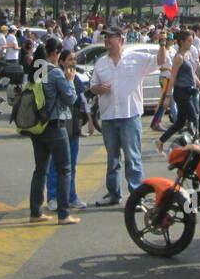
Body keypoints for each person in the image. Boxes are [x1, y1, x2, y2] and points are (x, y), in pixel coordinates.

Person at [90, 26, 167, 205]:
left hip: (130, 116)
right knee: (112, 159)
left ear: (120, 40)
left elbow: (160, 61)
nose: (107, 41)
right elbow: (93, 86)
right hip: (109, 116)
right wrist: (98, 89)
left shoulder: (136, 58)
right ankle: (114, 194)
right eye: (105, 38)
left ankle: (137, 196)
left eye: (111, 37)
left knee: (133, 158)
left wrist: (162, 42)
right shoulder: (101, 62)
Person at [28, 38, 80, 225]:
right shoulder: (56, 72)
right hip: (55, 125)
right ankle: (64, 214)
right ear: (56, 53)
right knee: (64, 169)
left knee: (40, 170)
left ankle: (35, 211)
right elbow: (69, 99)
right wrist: (71, 81)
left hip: (38, 126)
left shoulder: (37, 70)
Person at [46, 48, 88, 212]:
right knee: (56, 163)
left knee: (71, 164)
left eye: (75, 59)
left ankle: (71, 196)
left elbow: (82, 101)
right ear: (61, 61)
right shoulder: (56, 76)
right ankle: (53, 197)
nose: (73, 62)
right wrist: (68, 81)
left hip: (73, 125)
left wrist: (90, 121)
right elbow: (67, 97)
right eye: (70, 59)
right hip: (59, 124)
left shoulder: (75, 77)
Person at [158, 30, 200, 151]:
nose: (191, 43)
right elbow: (173, 77)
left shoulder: (188, 55)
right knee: (194, 118)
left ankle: (160, 141)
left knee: (180, 122)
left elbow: (194, 75)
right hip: (181, 92)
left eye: (192, 40)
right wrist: (167, 97)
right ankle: (197, 145)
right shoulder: (179, 58)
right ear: (182, 42)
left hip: (189, 91)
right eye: (189, 41)